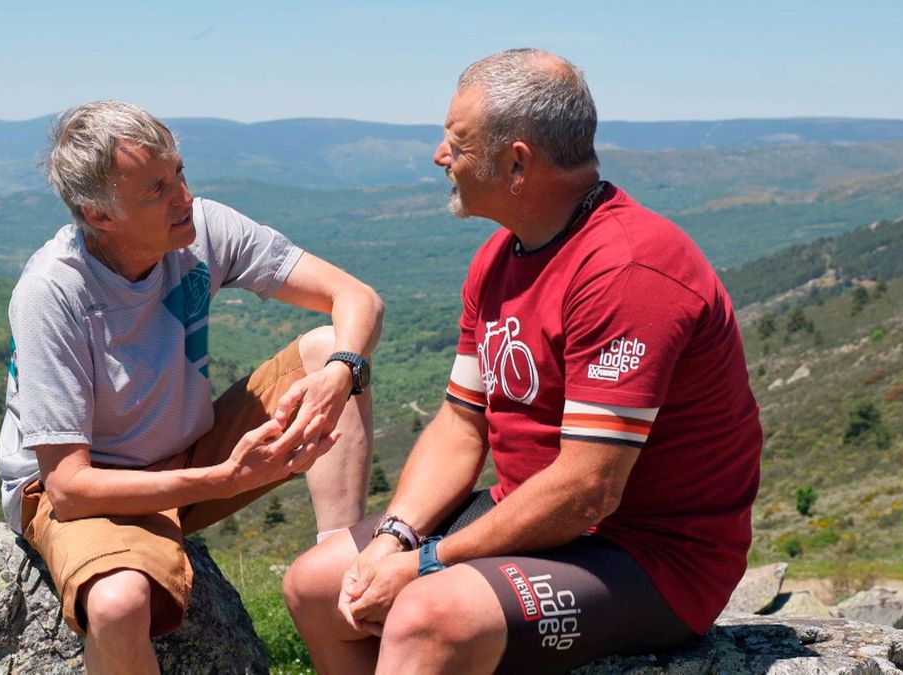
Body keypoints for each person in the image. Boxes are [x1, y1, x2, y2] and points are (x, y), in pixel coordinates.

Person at [283, 49, 762, 674]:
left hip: (649, 555)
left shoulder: (627, 269)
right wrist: (393, 538)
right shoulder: (498, 261)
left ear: (516, 162)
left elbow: (589, 490)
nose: (439, 156)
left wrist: (428, 564)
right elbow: (462, 425)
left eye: (457, 141)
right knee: (318, 587)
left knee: (428, 618)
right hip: (532, 514)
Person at [0, 100, 383, 674]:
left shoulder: (200, 228)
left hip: (188, 452)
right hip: (94, 487)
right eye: (155, 189)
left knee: (329, 348)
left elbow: (356, 297)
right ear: (98, 215)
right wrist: (225, 478)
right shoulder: (52, 294)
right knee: (118, 604)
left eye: (178, 172)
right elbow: (70, 487)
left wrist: (342, 372)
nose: (183, 197)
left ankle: (337, 566)